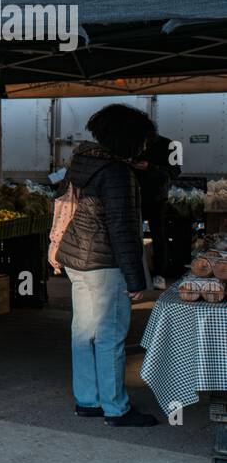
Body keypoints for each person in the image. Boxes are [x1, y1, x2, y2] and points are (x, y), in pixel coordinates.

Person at [55, 104, 156, 427]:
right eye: (142, 140)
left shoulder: (82, 161)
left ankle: (88, 400)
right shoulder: (117, 173)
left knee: (83, 333)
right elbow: (122, 228)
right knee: (110, 335)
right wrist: (136, 278)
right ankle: (116, 408)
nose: (144, 147)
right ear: (128, 139)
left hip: (77, 260)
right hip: (104, 263)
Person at [133, 132, 181, 288]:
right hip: (133, 196)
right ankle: (135, 273)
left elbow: (175, 172)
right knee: (133, 235)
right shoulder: (132, 143)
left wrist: (150, 167)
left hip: (157, 197)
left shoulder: (169, 144)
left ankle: (159, 274)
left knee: (159, 235)